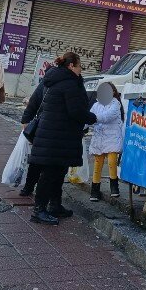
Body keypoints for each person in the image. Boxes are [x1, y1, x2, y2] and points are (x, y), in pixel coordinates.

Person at [27, 52, 97, 225]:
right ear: (71, 66)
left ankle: (54, 205)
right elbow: (76, 111)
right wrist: (93, 118)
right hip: (57, 136)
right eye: (80, 66)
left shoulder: (57, 79)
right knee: (50, 174)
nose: (81, 70)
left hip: (55, 134)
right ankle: (39, 210)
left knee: (58, 172)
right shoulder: (69, 83)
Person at [18, 63, 53, 197]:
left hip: (41, 127)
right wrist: (25, 120)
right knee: (42, 161)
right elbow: (34, 102)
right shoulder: (52, 84)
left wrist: (25, 120)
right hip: (47, 128)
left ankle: (28, 188)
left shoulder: (46, 83)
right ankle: (32, 188)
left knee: (36, 159)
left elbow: (33, 102)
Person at [89, 82, 125, 201]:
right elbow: (89, 118)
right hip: (99, 138)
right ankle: (94, 190)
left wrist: (93, 118)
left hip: (112, 137)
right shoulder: (96, 105)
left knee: (112, 161)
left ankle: (114, 188)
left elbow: (108, 116)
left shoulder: (116, 103)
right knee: (97, 164)